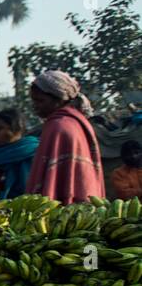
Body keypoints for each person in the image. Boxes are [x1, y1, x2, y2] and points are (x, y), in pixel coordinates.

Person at [26, 70, 106, 203]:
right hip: (85, 199)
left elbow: (49, 177)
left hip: (62, 204)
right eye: (34, 101)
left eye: (40, 101)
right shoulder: (78, 122)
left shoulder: (57, 126)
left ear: (59, 99)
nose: (36, 106)